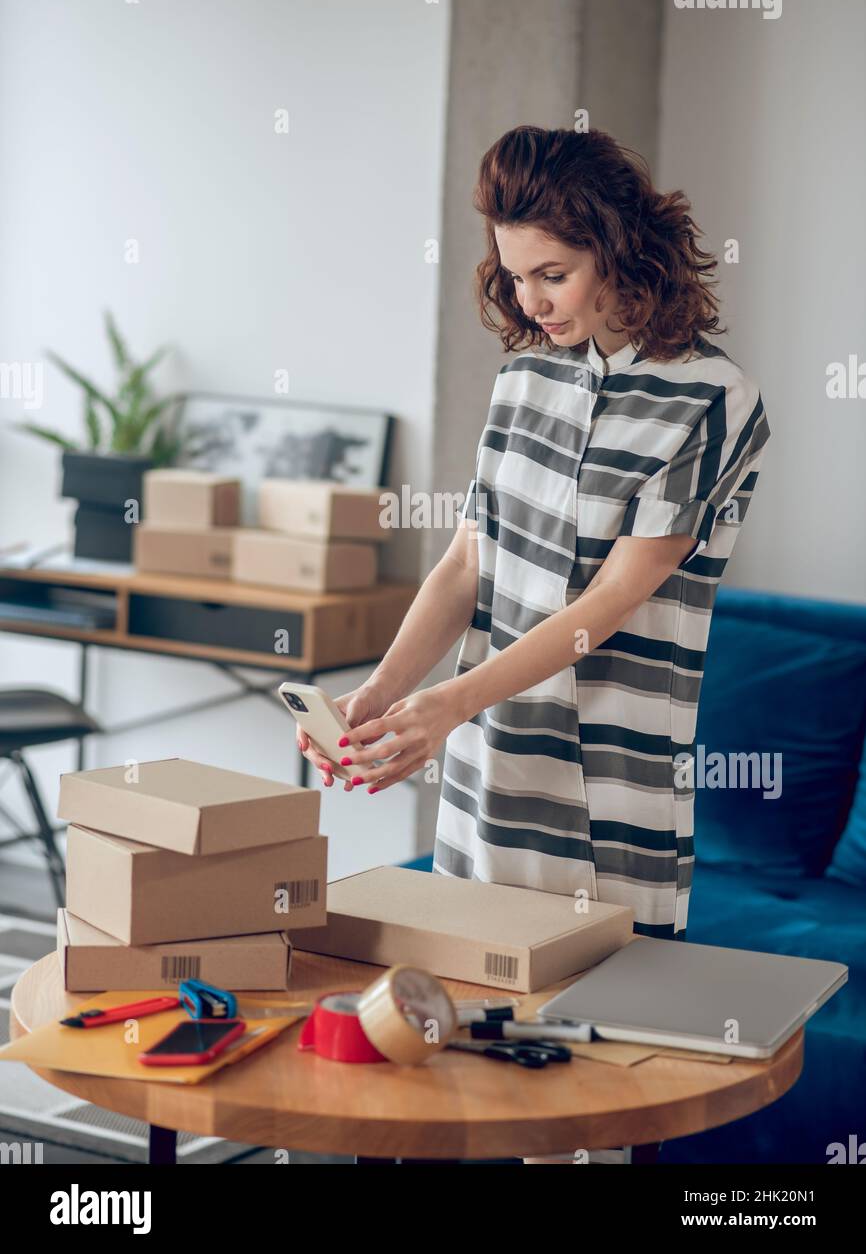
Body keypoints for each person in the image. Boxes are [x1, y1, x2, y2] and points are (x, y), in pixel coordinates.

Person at [297, 125, 771, 1163]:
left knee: (581, 1106)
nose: (528, 302)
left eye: (550, 273)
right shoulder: (522, 385)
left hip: (609, 794)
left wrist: (449, 702)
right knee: (459, 1071)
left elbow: (612, 599)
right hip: (485, 782)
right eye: (513, 278)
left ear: (617, 247)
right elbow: (469, 567)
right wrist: (382, 692)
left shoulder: (712, 397)